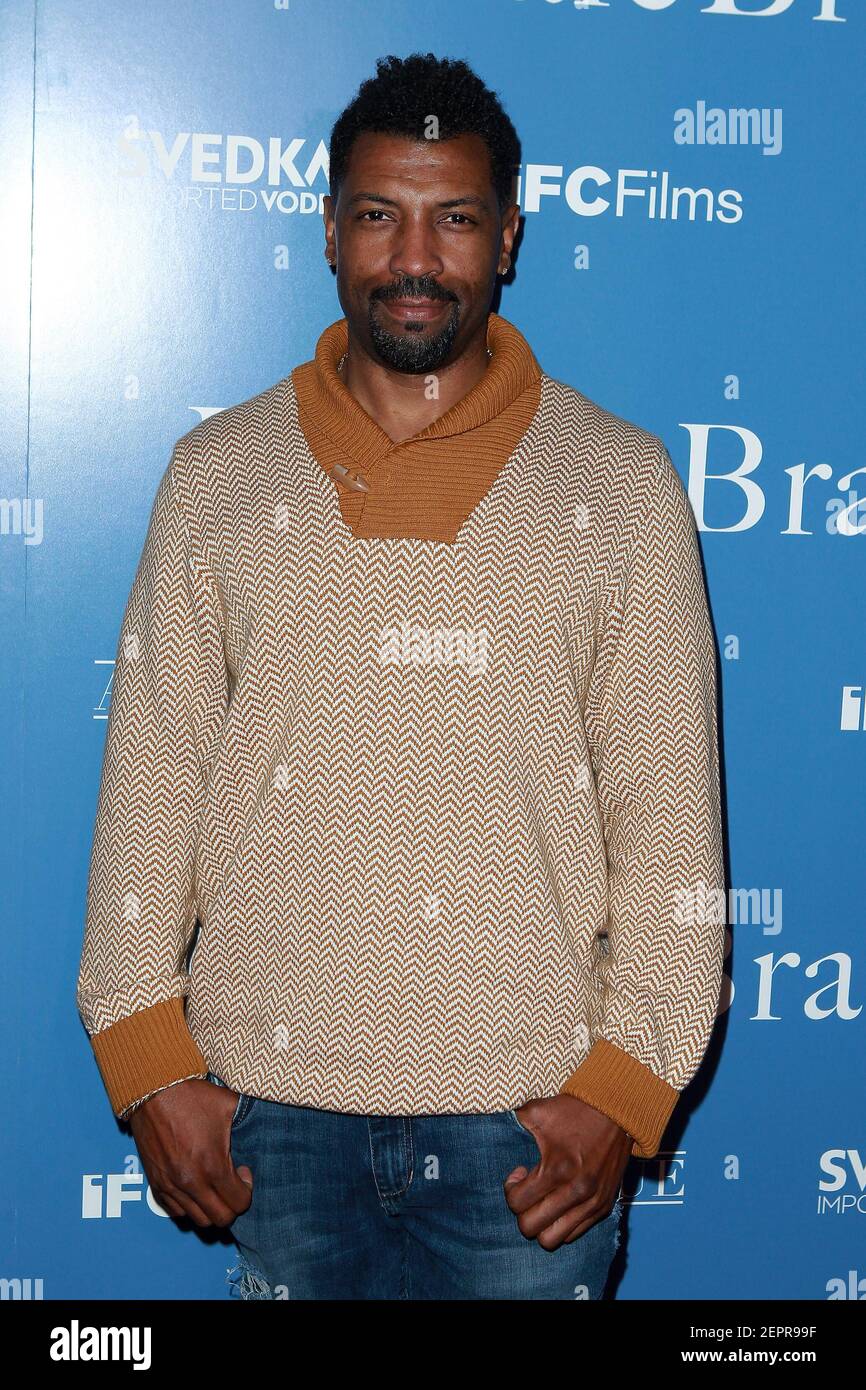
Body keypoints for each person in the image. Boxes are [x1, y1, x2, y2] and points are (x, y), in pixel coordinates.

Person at [76, 52, 725, 1301]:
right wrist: (150, 1061)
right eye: (378, 215)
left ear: (509, 238)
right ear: (328, 229)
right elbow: (152, 781)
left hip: (529, 1131)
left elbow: (670, 822)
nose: (413, 256)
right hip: (271, 1118)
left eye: (454, 218)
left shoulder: (620, 485)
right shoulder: (217, 475)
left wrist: (623, 1086)